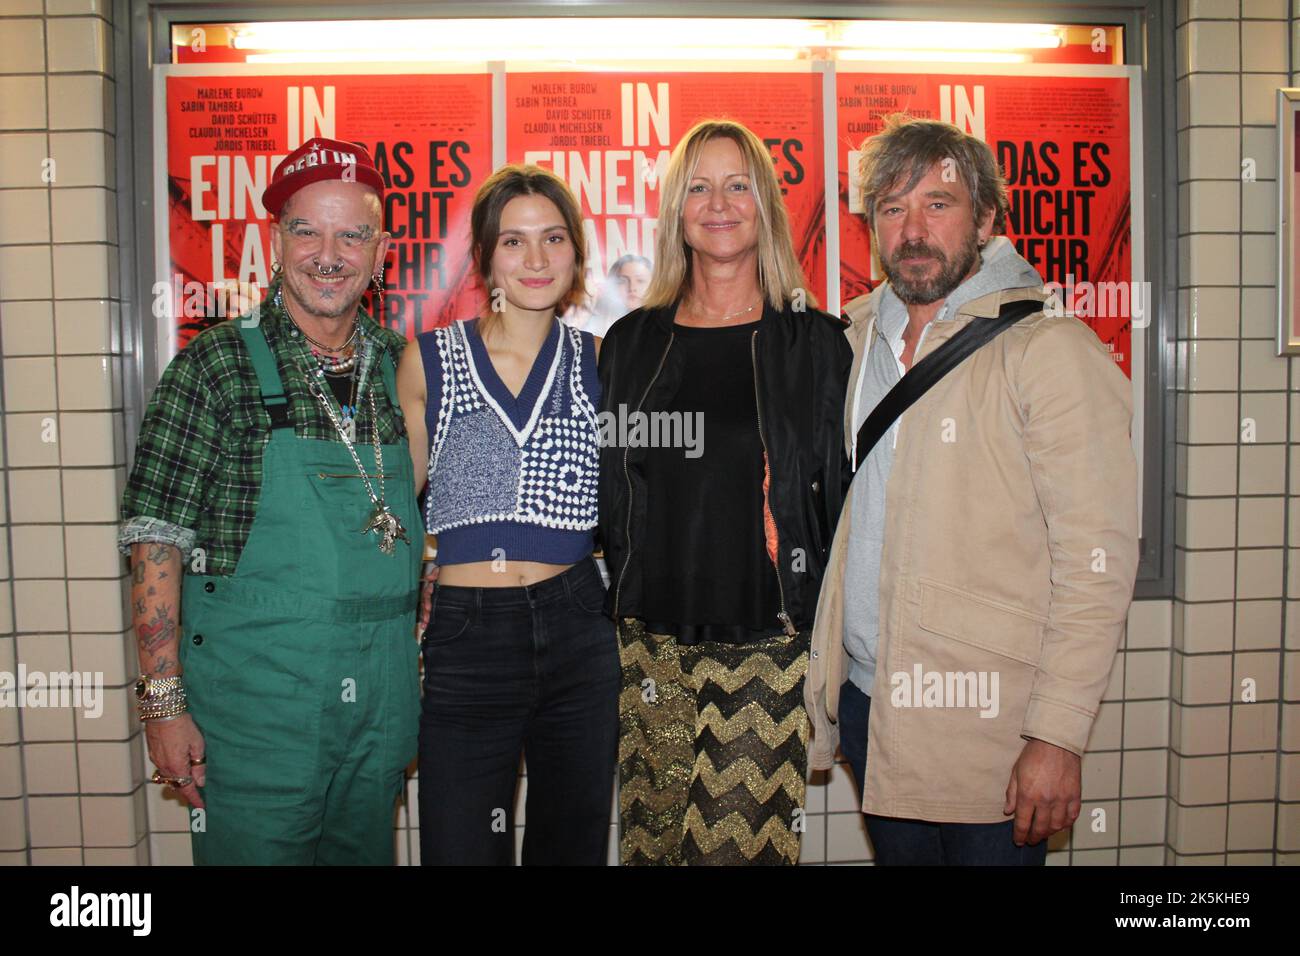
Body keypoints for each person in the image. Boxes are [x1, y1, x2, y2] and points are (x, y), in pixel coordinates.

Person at [804, 115, 1139, 865]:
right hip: (870, 704)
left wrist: (1056, 737)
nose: (912, 230)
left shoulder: (1048, 350)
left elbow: (1097, 561)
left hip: (991, 726)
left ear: (986, 217)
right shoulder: (854, 343)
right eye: (892, 209)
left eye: (938, 204)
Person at [119, 138, 420, 865]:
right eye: (306, 230)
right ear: (272, 241)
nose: (329, 254)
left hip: (378, 703)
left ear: (381, 251)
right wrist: (163, 706)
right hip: (259, 710)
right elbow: (154, 542)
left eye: (352, 234)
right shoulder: (215, 364)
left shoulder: (403, 369)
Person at [598, 119, 852, 865]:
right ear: (676, 209)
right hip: (650, 649)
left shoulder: (814, 345)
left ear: (766, 206)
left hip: (768, 649)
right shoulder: (632, 343)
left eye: (738, 185)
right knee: (653, 852)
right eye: (698, 187)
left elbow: (838, 501)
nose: (719, 203)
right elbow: (612, 494)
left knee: (737, 854)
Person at [399, 164, 619, 866]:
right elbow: (398, 513)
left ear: (576, 254)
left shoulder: (603, 364)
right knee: (462, 846)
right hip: (468, 631)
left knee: (571, 846)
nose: (535, 259)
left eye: (553, 239)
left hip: (579, 623)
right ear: (486, 256)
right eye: (514, 242)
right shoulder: (429, 361)